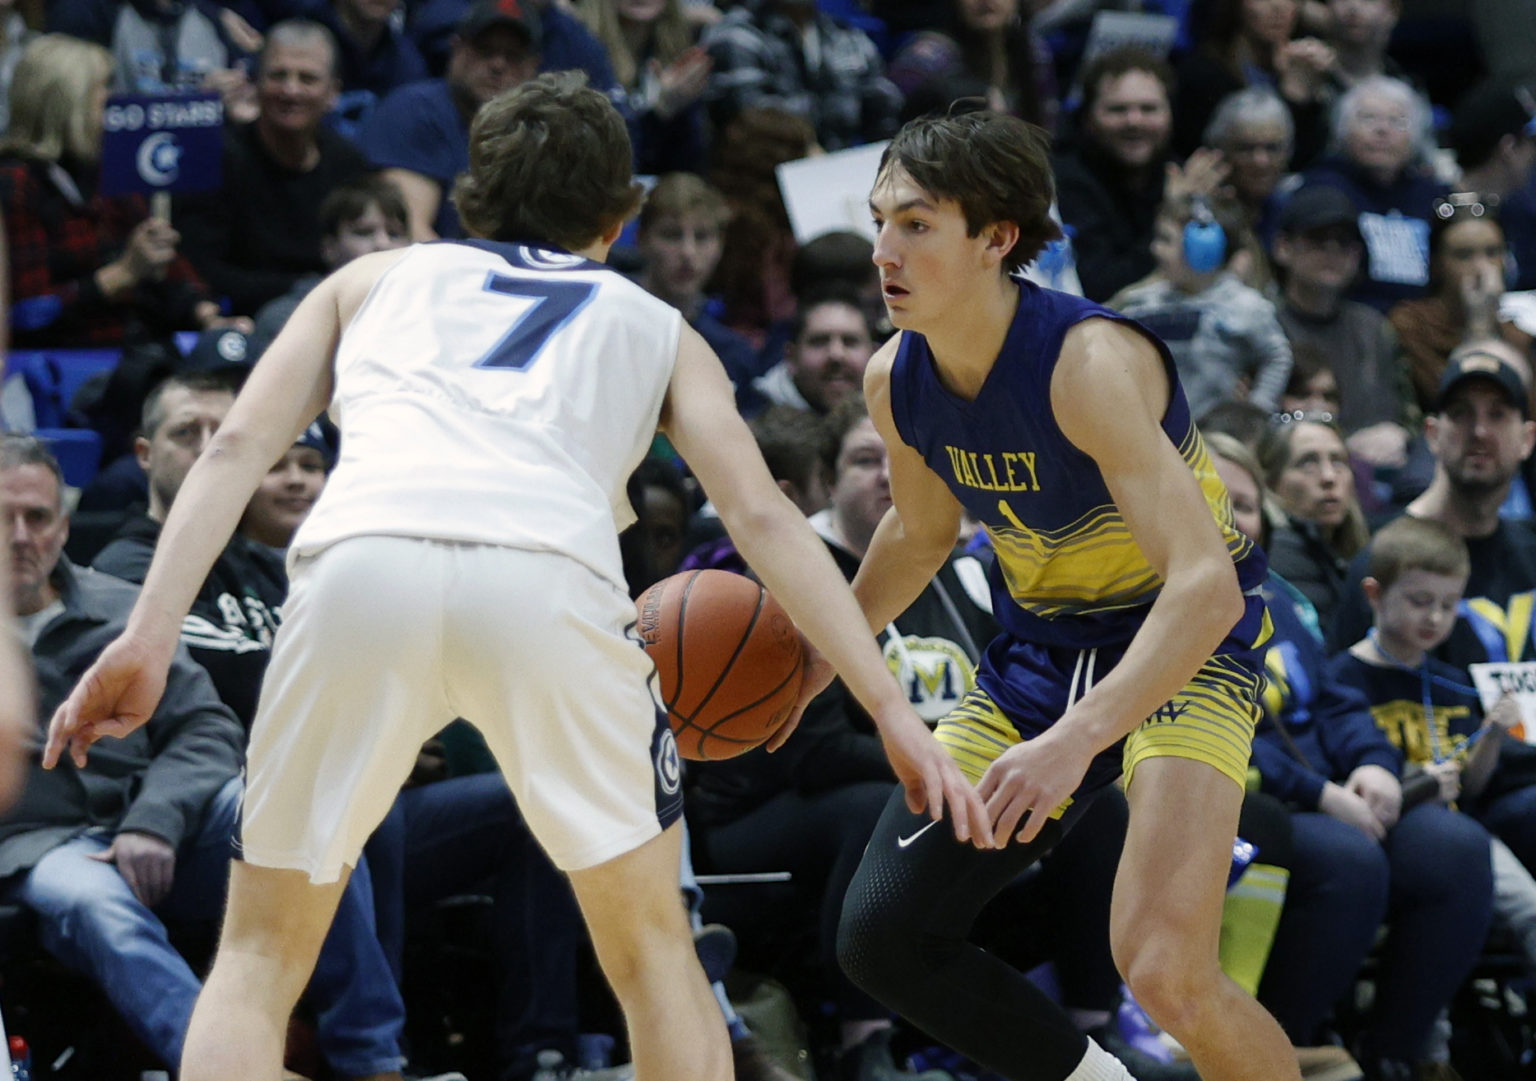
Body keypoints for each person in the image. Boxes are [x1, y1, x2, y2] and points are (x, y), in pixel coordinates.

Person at [45, 73, 987, 1081]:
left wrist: (144, 636)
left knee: (261, 949)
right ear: (623, 217)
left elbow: (233, 447)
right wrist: (885, 702)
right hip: (547, 579)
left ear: (466, 200)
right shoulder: (651, 323)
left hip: (361, 567)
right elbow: (762, 519)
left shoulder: (367, 281)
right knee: (653, 950)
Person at [835, 108, 1302, 1081]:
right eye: (879, 220)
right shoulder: (897, 377)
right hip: (1041, 654)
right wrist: (806, 667)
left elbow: (1207, 590)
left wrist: (1078, 739)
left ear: (996, 237)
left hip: (1178, 646)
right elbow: (920, 533)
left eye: (916, 223)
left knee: (1166, 969)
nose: (884, 248)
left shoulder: (1087, 361)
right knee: (884, 934)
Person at [0, 435, 427, 1081]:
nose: (20, 536)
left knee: (306, 811)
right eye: (3, 518)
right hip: (39, 845)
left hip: (160, 820)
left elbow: (205, 725)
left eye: (36, 516)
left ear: (64, 524)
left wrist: (154, 818)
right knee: (98, 906)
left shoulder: (124, 608)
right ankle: (231, 1071)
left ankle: (372, 1059)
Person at [1, 34, 248, 349]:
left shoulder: (105, 167)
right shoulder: (16, 182)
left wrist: (208, 316)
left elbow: (162, 262)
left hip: (134, 345)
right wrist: (121, 274)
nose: (113, 101)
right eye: (102, 89)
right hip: (61, 359)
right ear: (65, 102)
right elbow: (24, 315)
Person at [1332, 340, 1536, 665]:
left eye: (1497, 414)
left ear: (1527, 439)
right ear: (1432, 435)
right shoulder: (1384, 559)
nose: (1480, 431)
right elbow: (1345, 697)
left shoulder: (1530, 549)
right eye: (1461, 414)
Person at [174, 20, 374, 318]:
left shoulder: (350, 165)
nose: (290, 91)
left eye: (307, 79)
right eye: (278, 75)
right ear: (255, 83)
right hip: (238, 321)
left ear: (333, 93)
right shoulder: (215, 159)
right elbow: (202, 268)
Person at [361, 0, 542, 240]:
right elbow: (408, 232)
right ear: (456, 48)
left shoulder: (540, 130)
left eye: (513, 56)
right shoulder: (413, 110)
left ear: (533, 67)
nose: (498, 65)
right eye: (484, 50)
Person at [1110, 191, 1294, 419]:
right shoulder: (1142, 303)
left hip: (1214, 437)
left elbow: (1277, 356)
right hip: (1152, 432)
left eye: (1166, 240)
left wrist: (1255, 411)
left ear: (1204, 246)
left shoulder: (1245, 306)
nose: (1155, 249)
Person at [1270, 184, 1411, 468]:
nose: (1332, 251)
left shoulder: (1374, 328)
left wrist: (1402, 434)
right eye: (1317, 239)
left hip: (1380, 472)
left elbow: (1407, 414)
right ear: (1283, 248)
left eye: (1344, 242)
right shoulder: (1260, 325)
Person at [1296, 75, 1447, 313]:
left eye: (1397, 121)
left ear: (1416, 136)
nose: (1382, 130)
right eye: (1368, 118)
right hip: (1346, 321)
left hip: (1421, 323)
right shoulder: (1321, 188)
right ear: (1342, 129)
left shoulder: (1433, 194)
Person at [1388, 193, 1535, 418]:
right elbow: (1460, 406)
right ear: (1436, 264)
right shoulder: (1411, 325)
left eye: (1492, 252)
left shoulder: (1518, 337)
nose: (1481, 267)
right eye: (1464, 255)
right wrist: (1479, 323)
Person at [1052, 47, 1178, 302]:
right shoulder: (1063, 181)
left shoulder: (1181, 173)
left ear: (1170, 115)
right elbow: (1100, 287)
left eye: (1149, 108)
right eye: (1118, 109)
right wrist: (1172, 211)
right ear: (1088, 119)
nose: (1134, 121)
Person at [699, 0, 901, 151]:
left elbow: (885, 117)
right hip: (762, 186)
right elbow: (751, 126)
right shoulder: (735, 37)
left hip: (844, 177)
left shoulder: (845, 35)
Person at [632, 172, 757, 390]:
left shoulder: (733, 353)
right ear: (642, 239)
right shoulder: (605, 318)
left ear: (721, 244)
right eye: (671, 235)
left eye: (702, 236)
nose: (688, 252)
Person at [1259, 412, 1370, 627]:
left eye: (1338, 462)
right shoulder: (1275, 557)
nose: (1329, 477)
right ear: (1270, 481)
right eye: (1307, 463)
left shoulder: (1355, 551)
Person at [577, 0, 711, 174]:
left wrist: (679, 110)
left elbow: (690, 165)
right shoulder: (578, 49)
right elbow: (599, 164)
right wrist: (659, 112)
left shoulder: (677, 49)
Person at [740, 285, 878, 418]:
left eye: (850, 341)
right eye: (819, 341)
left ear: (874, 355)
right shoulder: (749, 429)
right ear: (791, 357)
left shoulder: (895, 423)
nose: (836, 354)